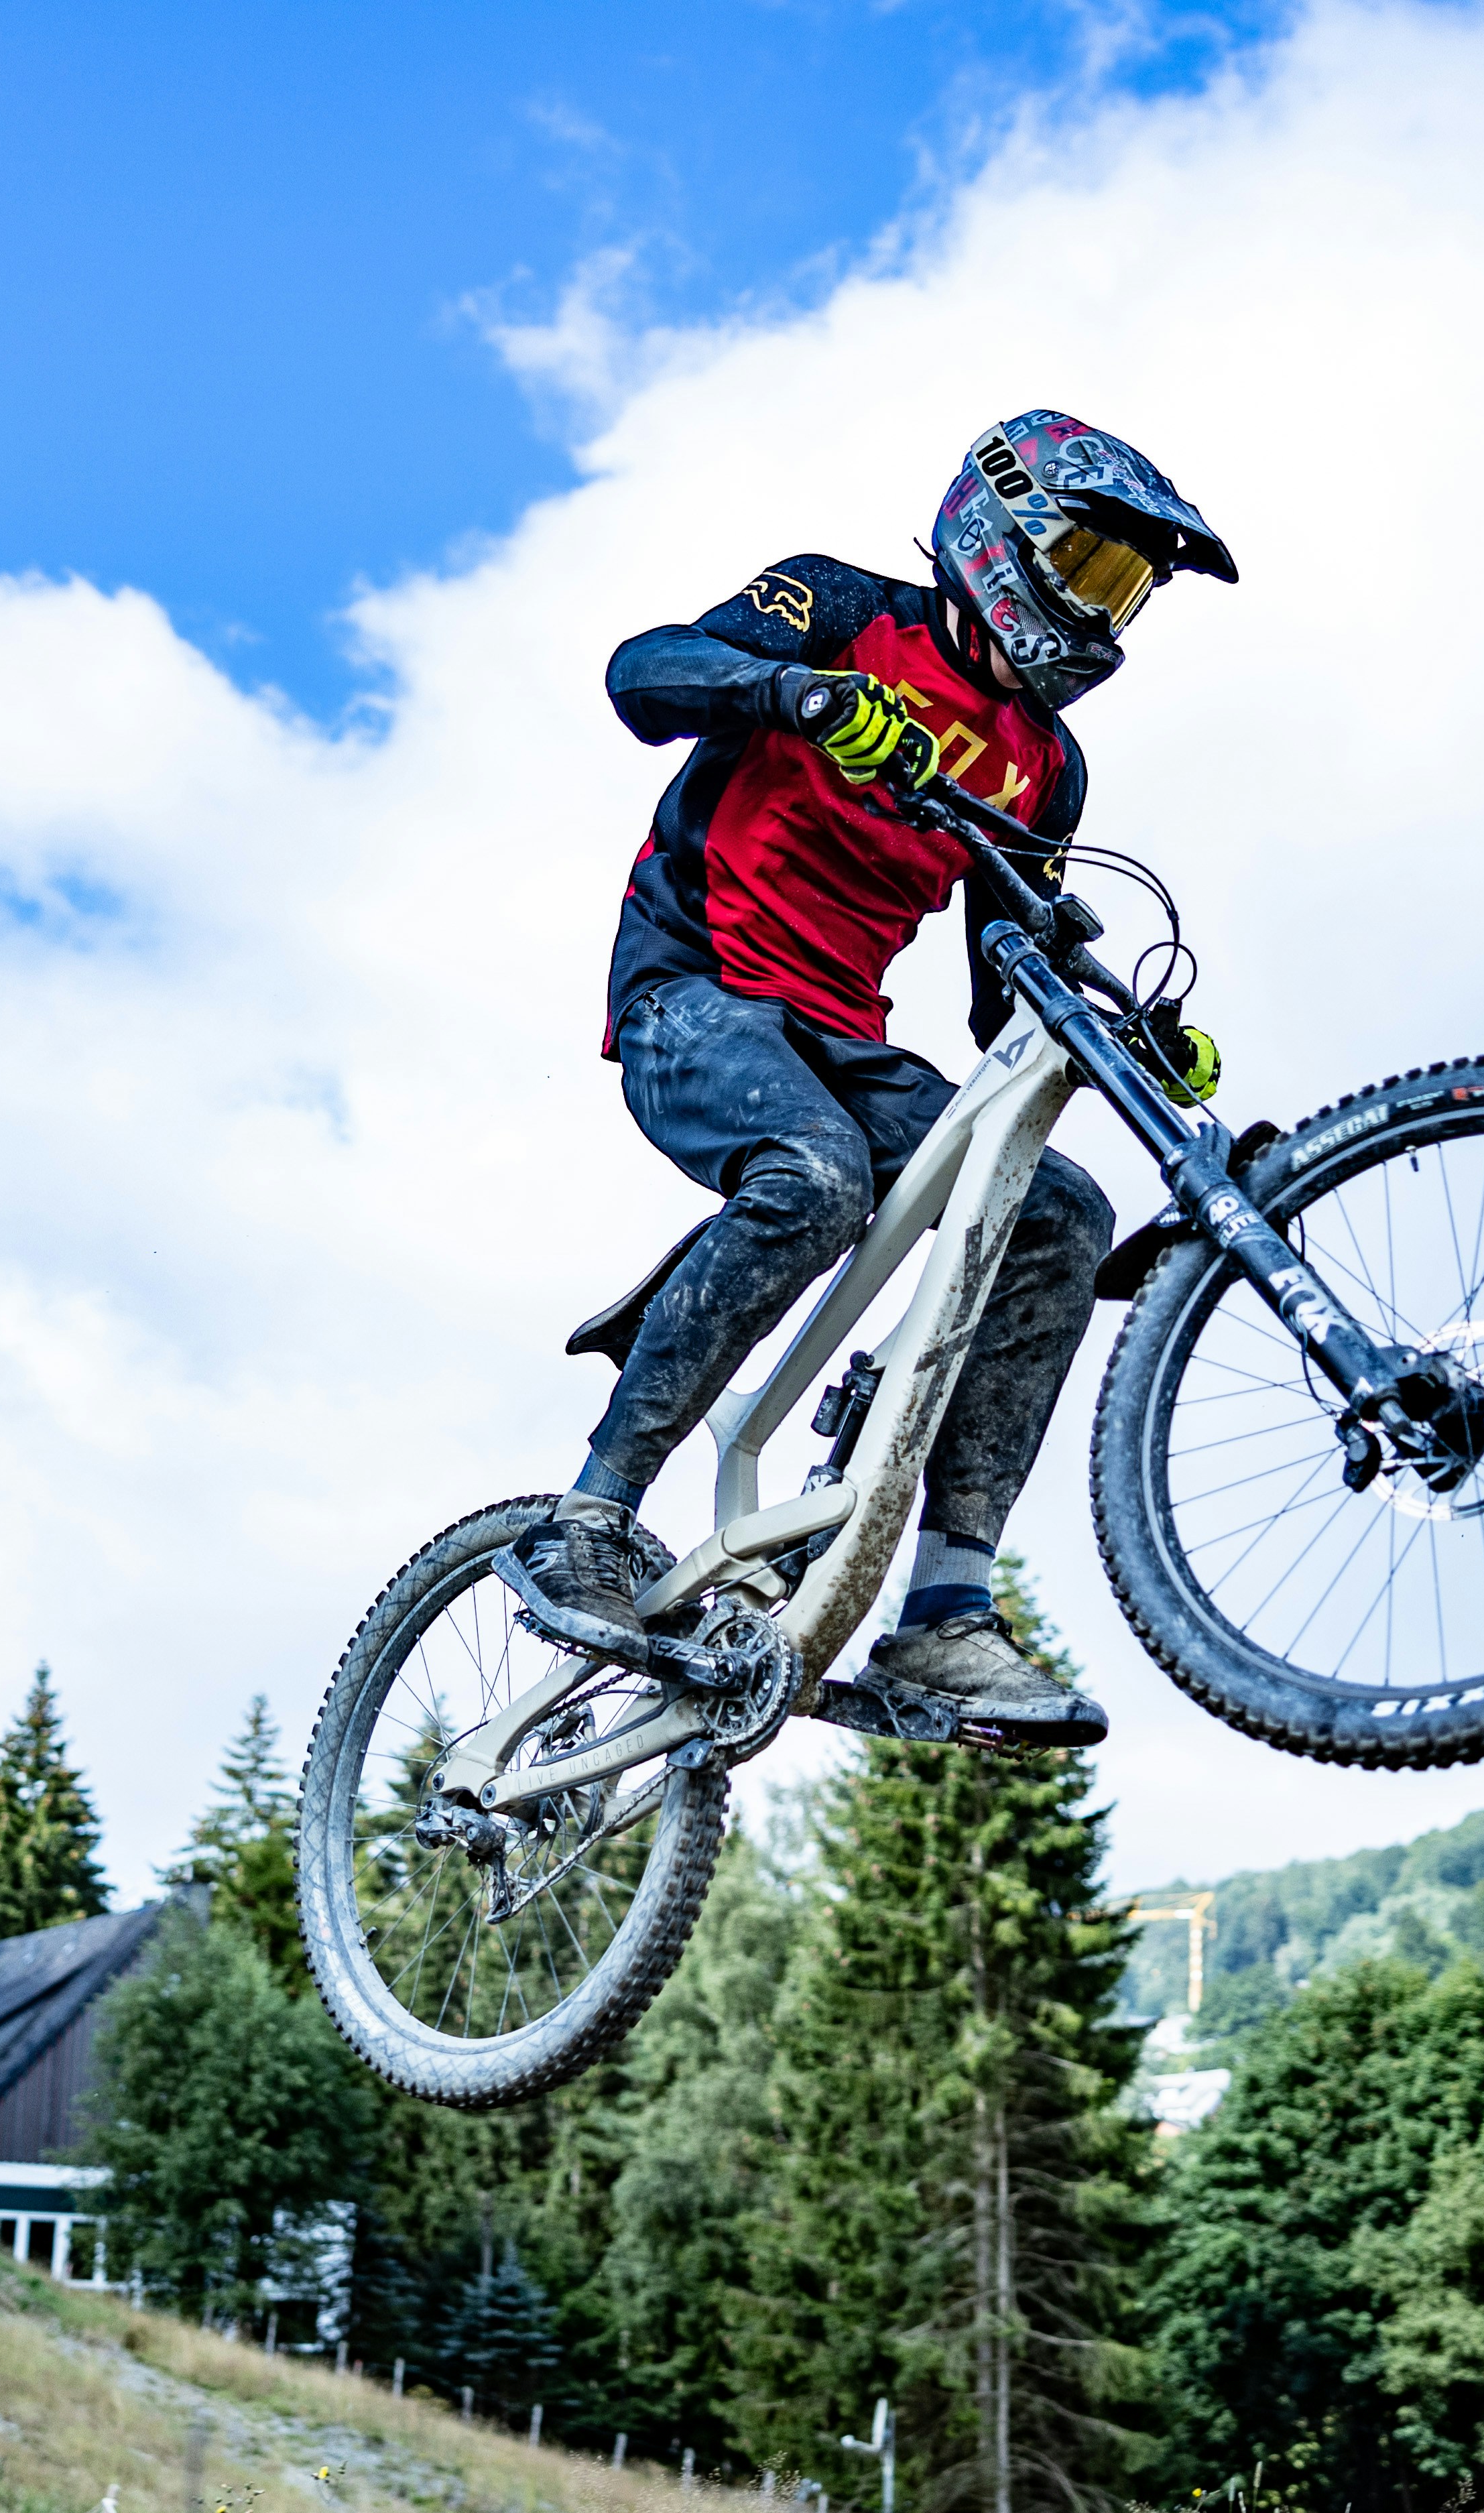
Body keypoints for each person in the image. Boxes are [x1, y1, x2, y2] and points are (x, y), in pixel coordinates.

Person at [520, 410, 1237, 1741]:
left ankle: (945, 1619)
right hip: (697, 992)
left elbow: (1003, 976)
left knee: (1060, 1212)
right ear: (996, 529)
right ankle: (592, 1512)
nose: (1097, 606)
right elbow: (644, 672)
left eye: (1124, 587)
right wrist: (795, 692)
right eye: (1084, 564)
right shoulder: (843, 611)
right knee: (816, 1175)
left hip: (847, 1040)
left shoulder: (1047, 767)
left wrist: (1133, 1026)